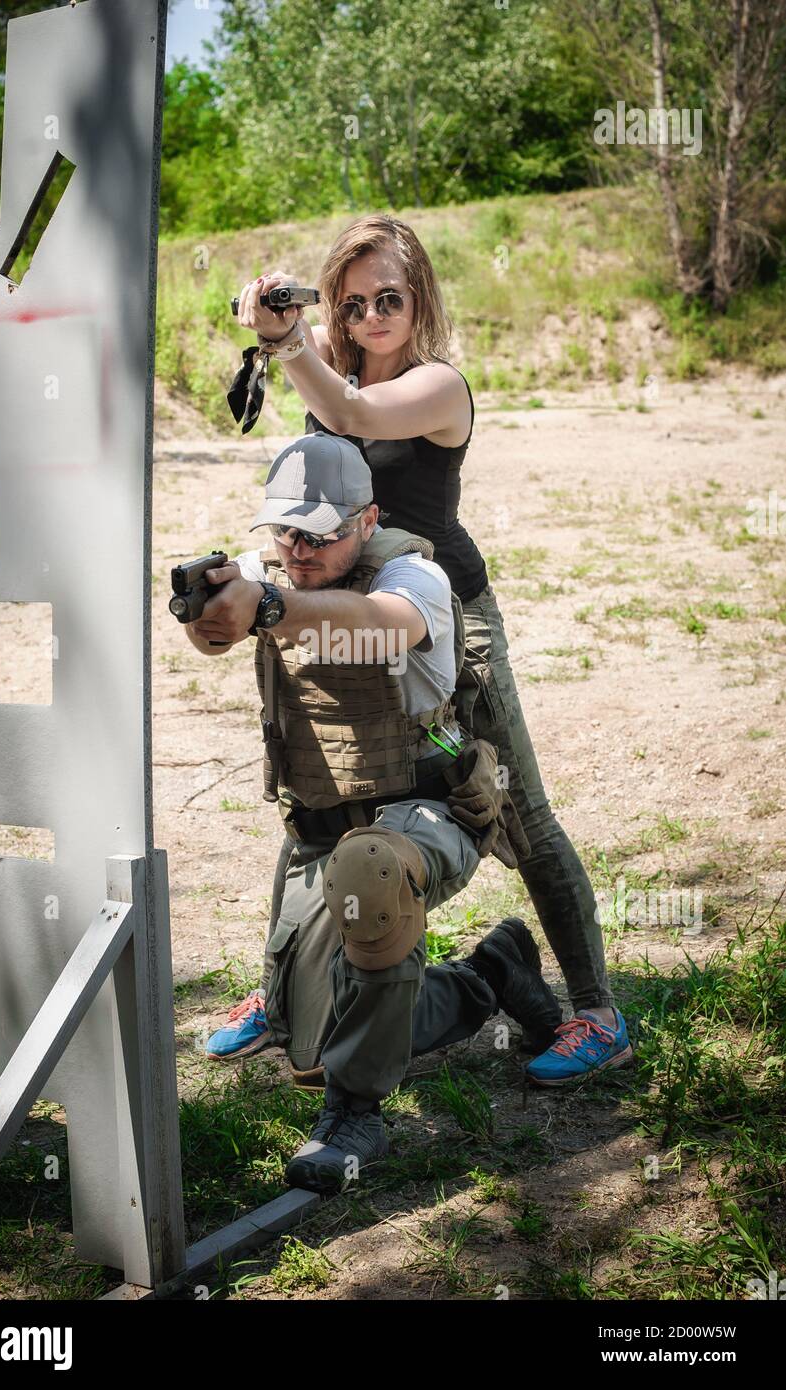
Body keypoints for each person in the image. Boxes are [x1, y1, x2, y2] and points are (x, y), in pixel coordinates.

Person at [205, 215, 632, 1087]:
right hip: (351, 601)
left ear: (419, 298)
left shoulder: (440, 385)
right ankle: (277, 998)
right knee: (314, 784)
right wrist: (274, 313)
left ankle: (596, 1011)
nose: (369, 316)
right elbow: (317, 382)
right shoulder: (332, 359)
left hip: (447, 615)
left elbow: (350, 411)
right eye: (351, 302)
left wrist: (290, 340)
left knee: (517, 806)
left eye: (388, 298)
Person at [185, 432, 572, 1192]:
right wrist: (215, 611)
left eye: (319, 534)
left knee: (373, 874)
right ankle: (488, 979)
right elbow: (220, 633)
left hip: (427, 812)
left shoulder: (413, 575)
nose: (297, 550)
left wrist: (269, 602)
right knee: (311, 1046)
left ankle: (355, 1113)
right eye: (284, 531)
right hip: (324, 827)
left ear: (367, 520)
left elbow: (377, 620)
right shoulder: (274, 570)